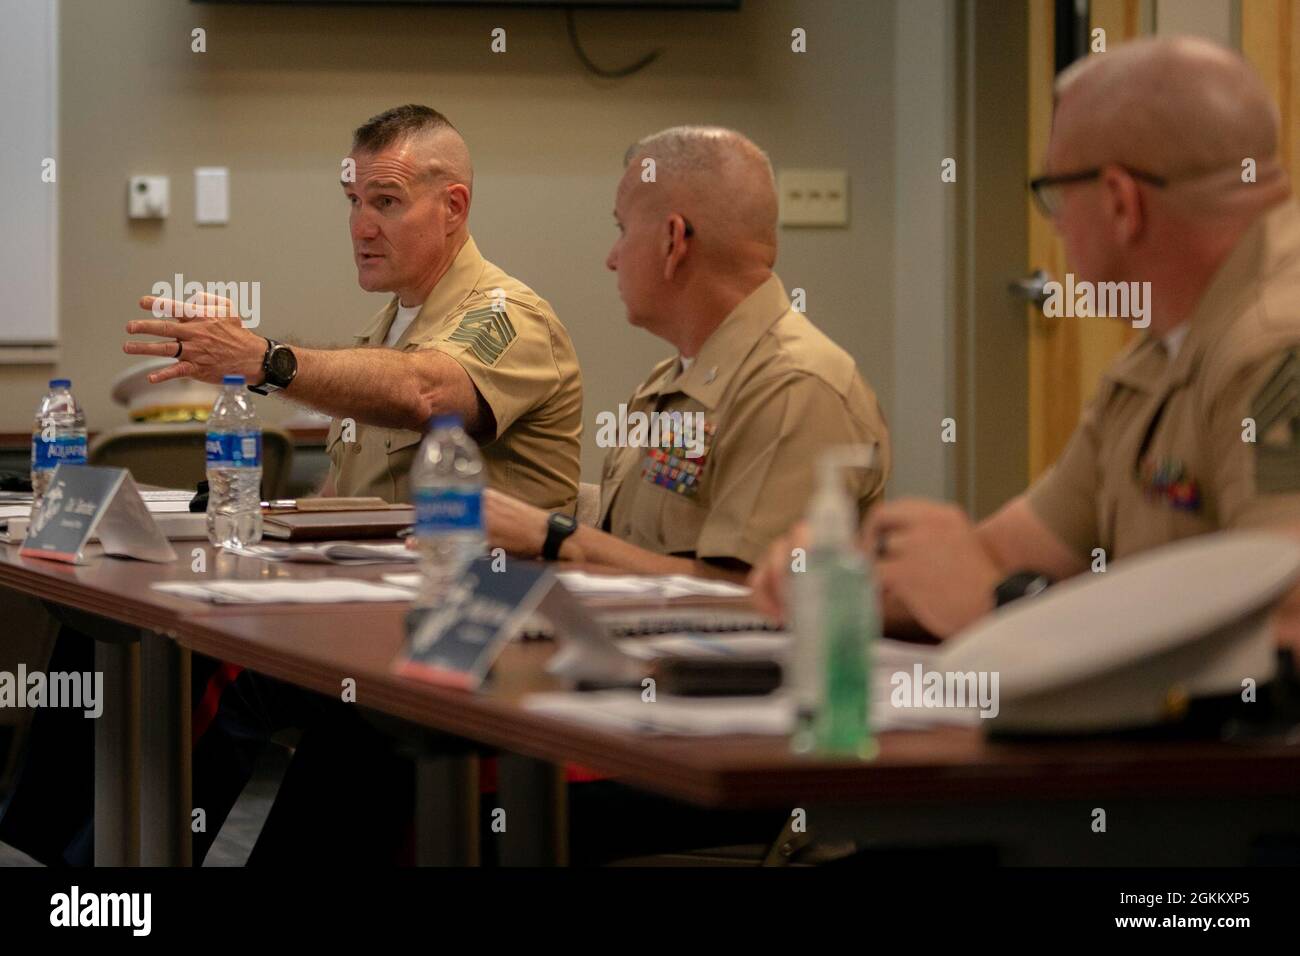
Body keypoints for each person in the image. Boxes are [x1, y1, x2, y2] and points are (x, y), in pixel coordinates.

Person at [752, 36, 1300, 652]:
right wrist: (845, 578)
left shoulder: (1278, 343)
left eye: (1054, 193)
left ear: (1121, 202)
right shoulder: (1161, 352)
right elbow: (1004, 552)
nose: (1056, 221)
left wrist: (1002, 607)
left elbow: (1284, 629)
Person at [123, 103, 582, 508]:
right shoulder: (384, 331)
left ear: (454, 208)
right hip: (379, 585)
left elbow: (423, 394)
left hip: (488, 592)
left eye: (386, 201)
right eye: (354, 201)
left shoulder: (509, 314)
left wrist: (262, 360)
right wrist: (260, 525)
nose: (361, 228)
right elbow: (346, 499)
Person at [486, 125, 890, 578]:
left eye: (622, 230)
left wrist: (558, 538)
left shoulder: (795, 388)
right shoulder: (673, 380)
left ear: (673, 241)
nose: (612, 257)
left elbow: (744, 596)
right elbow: (637, 553)